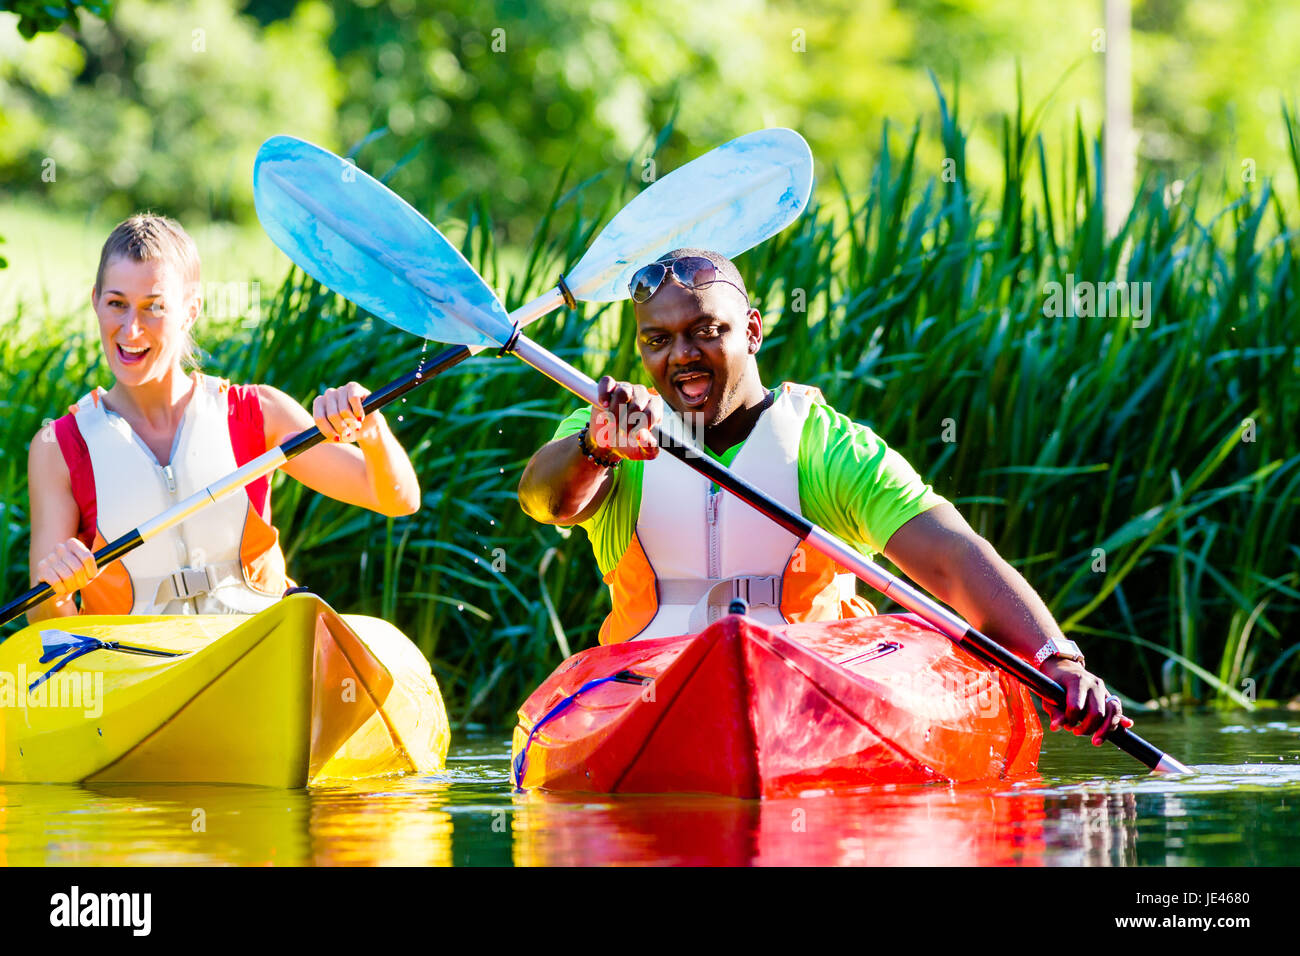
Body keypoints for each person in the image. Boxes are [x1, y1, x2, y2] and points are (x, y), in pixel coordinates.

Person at [518, 248, 1132, 745]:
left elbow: (949, 556)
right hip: (646, 692)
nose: (681, 356)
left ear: (752, 331)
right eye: (658, 340)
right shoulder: (608, 427)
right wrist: (595, 448)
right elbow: (543, 501)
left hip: (813, 699)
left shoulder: (823, 445)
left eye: (706, 332)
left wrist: (1057, 659)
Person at [27, 213, 420, 622]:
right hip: (139, 665)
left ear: (190, 310)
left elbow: (397, 499)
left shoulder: (257, 413)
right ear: (96, 301)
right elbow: (48, 620)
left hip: (254, 648)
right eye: (116, 304)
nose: (131, 328)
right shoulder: (58, 447)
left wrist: (372, 431)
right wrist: (55, 592)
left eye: (154, 307)